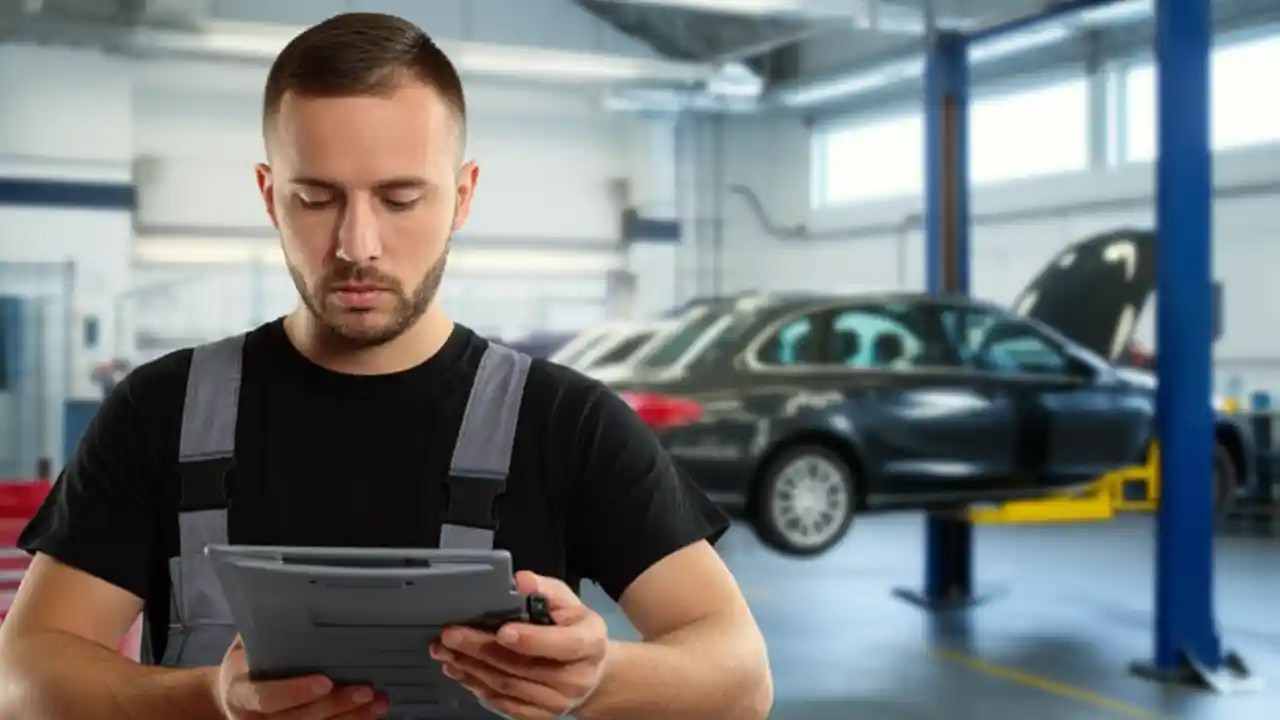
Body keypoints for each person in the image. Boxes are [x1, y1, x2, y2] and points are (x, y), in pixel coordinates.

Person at [0, 12, 772, 720]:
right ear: (269, 196)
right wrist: (209, 699)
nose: (357, 245)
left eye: (401, 199)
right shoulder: (160, 411)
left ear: (463, 196)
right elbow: (24, 677)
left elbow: (740, 675)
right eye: (315, 198)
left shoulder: (566, 422)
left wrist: (597, 677)